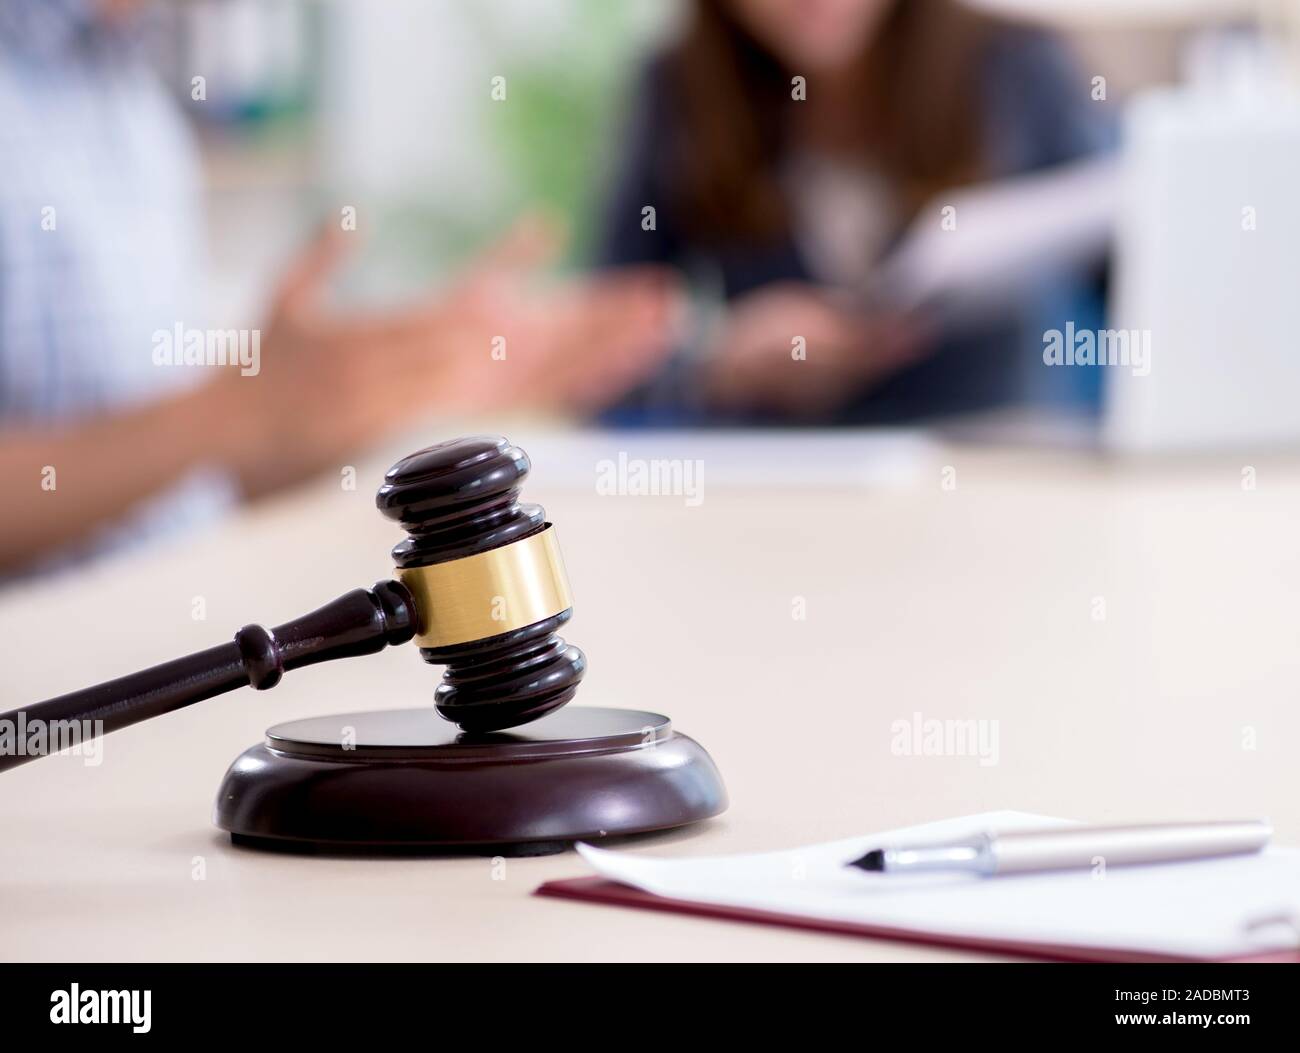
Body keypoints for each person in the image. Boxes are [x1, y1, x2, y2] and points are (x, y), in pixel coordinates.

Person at [0, 0, 677, 574]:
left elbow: (176, 480)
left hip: (168, 635)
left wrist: (413, 387)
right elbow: (205, 430)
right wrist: (234, 411)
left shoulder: (132, 103)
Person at [595, 0, 1112, 425]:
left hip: (993, 475)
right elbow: (596, 351)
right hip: (775, 490)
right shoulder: (679, 89)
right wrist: (714, 360)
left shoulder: (1017, 64)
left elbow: (1133, 268)